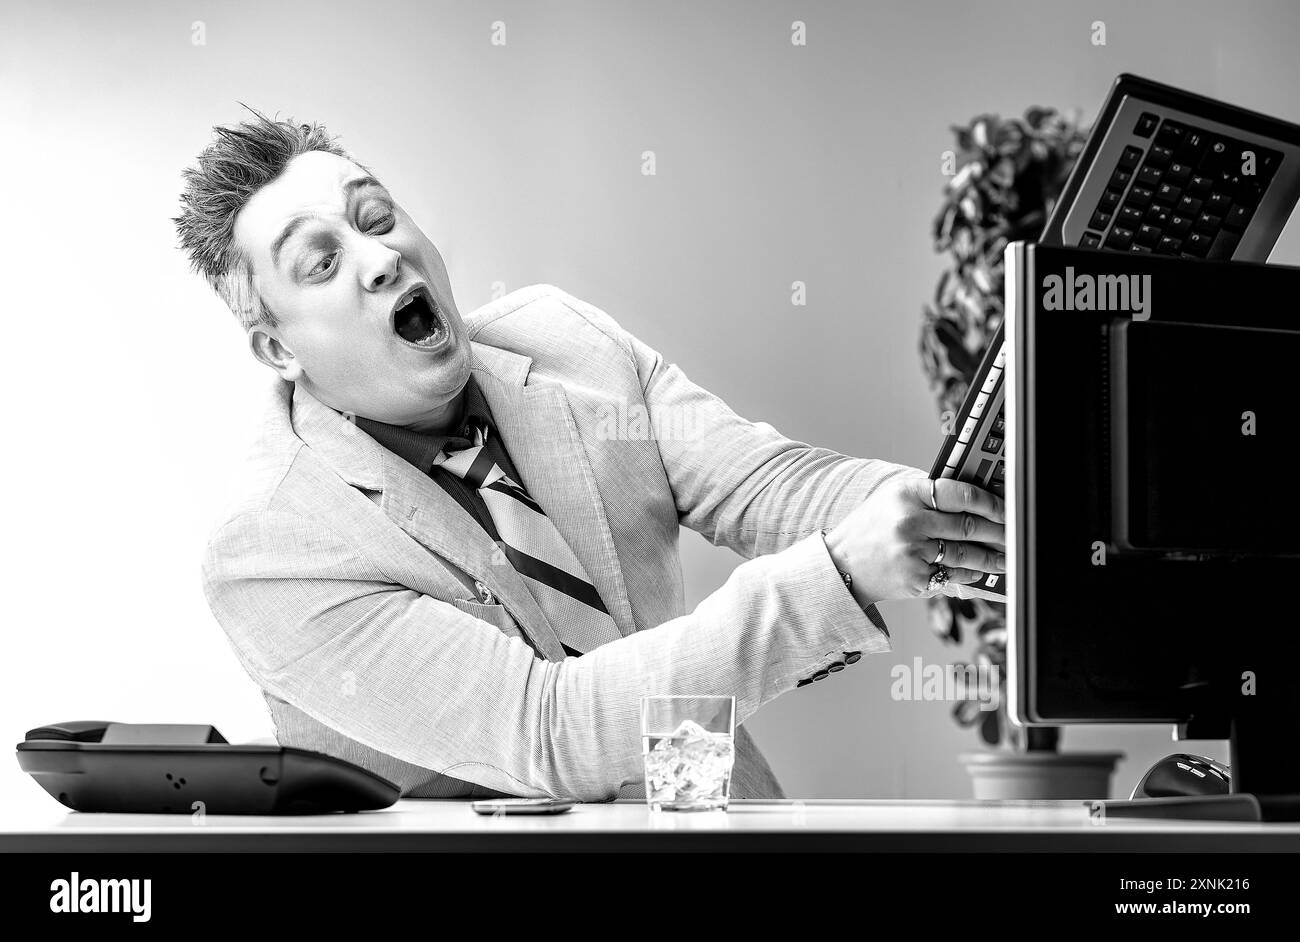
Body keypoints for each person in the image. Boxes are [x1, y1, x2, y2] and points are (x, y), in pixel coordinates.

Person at [175, 109, 1005, 801]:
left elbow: (765, 485)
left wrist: (967, 500)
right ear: (278, 349)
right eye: (322, 262)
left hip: (715, 821)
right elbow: (548, 732)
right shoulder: (271, 548)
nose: (380, 257)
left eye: (377, 218)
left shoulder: (566, 342)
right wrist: (841, 574)